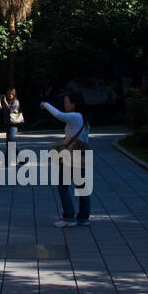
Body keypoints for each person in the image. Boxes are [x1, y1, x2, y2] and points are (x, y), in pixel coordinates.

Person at [42, 92, 92, 226]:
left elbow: (59, 115)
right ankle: (83, 217)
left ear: (74, 104)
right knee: (82, 187)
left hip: (72, 155)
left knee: (63, 186)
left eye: (66, 102)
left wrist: (45, 104)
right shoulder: (83, 118)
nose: (64, 104)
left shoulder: (74, 116)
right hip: (82, 155)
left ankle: (69, 217)